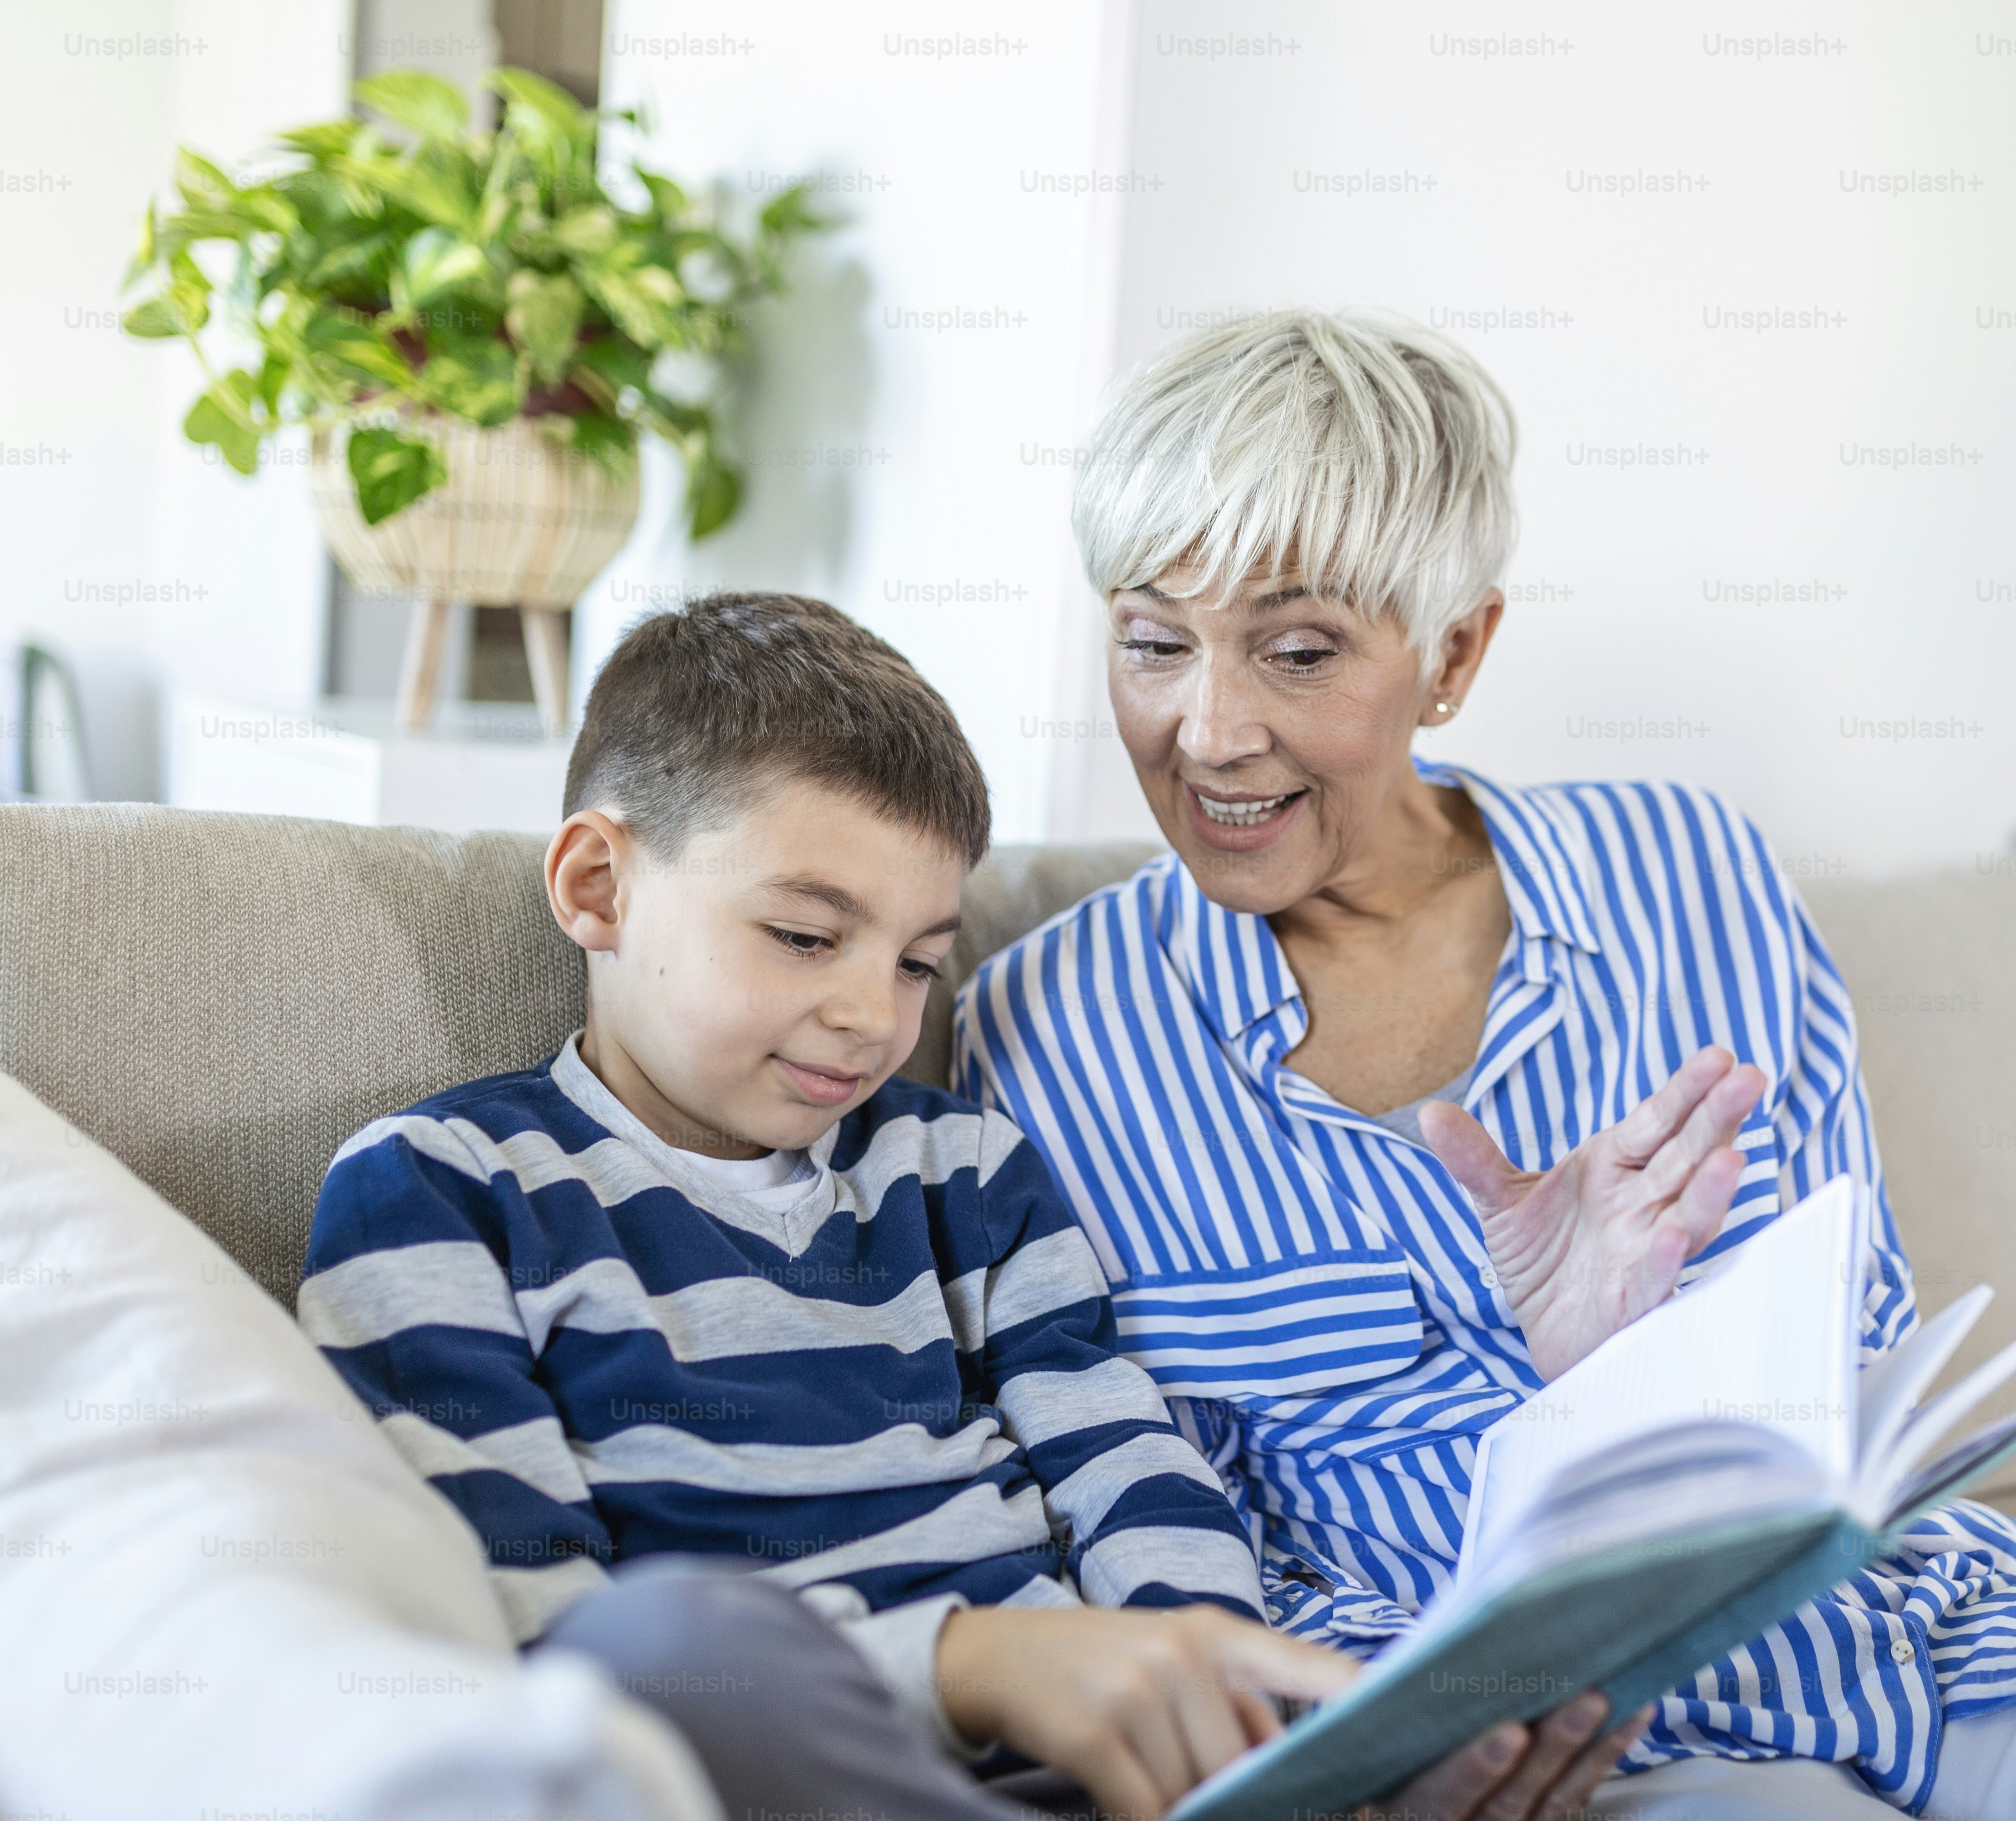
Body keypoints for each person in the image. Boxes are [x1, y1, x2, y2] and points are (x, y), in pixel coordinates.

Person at [956, 310, 2016, 1820]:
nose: (1210, 731)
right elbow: (1137, 1531)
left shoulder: (1688, 876)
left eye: (1300, 648)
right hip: (1533, 1763)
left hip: (1936, 1635)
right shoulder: (1043, 1036)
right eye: (1153, 640)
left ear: (1459, 655)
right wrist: (1369, 1743)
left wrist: (1609, 1371)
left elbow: (1858, 1356)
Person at [299, 593, 1644, 1821]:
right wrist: (971, 1664)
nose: (868, 1017)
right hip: (779, 1759)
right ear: (597, 885)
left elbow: (1127, 1466)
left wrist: (1239, 1717)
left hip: (1096, 1780)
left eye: (917, 964)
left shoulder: (958, 1172)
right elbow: (518, 1628)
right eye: (807, 936)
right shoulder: (439, 1190)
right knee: (653, 1650)